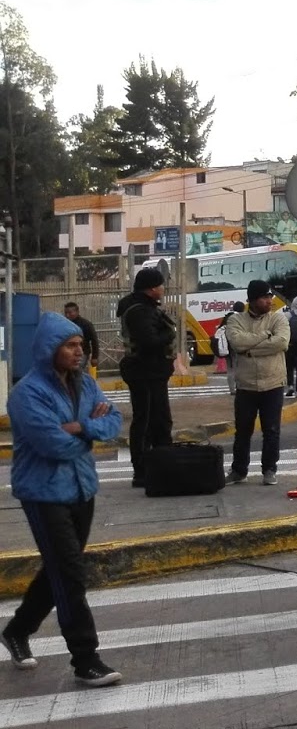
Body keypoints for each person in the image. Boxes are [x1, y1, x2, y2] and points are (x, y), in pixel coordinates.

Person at [2, 312, 124, 687]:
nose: (79, 352)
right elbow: (51, 444)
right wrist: (89, 435)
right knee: (70, 573)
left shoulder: (85, 386)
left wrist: (83, 426)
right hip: (43, 493)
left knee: (59, 568)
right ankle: (86, 659)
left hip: (81, 489)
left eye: (81, 346)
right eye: (70, 346)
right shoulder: (26, 394)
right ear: (50, 349)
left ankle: (16, 630)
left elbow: (114, 421)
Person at [117, 267, 177, 489]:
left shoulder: (144, 307)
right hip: (145, 372)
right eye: (160, 285)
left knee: (159, 420)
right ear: (152, 288)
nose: (163, 289)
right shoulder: (139, 311)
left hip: (153, 372)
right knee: (148, 420)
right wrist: (168, 334)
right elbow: (149, 341)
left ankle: (162, 465)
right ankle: (143, 470)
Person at [227, 279, 289, 485]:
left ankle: (269, 469)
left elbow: (281, 342)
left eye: (270, 296)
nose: (269, 301)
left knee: (271, 430)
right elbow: (236, 342)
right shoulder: (236, 320)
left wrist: (250, 348)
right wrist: (263, 336)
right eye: (264, 297)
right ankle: (239, 470)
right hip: (246, 385)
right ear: (252, 300)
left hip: (273, 383)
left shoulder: (278, 319)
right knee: (243, 430)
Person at [62, 302, 99, 378]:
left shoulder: (86, 324)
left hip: (82, 353)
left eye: (70, 312)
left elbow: (94, 340)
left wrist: (94, 357)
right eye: (66, 313)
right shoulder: (64, 324)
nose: (67, 315)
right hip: (68, 353)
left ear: (77, 312)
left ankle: (79, 388)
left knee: (77, 373)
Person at [216, 302, 245, 396]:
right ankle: (237, 388)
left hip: (225, 347)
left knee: (230, 368)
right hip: (234, 346)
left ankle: (231, 389)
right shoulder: (238, 318)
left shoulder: (227, 316)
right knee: (236, 367)